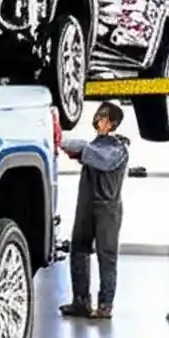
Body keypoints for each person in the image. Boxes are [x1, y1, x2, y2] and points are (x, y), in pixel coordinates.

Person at [59, 102, 130, 320]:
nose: (100, 120)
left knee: (106, 256)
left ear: (113, 123)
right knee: (78, 249)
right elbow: (86, 151)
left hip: (107, 210)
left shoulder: (118, 148)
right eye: (99, 116)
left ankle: (105, 305)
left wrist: (64, 142)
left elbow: (100, 158)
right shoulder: (95, 144)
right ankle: (80, 301)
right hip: (86, 206)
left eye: (104, 118)